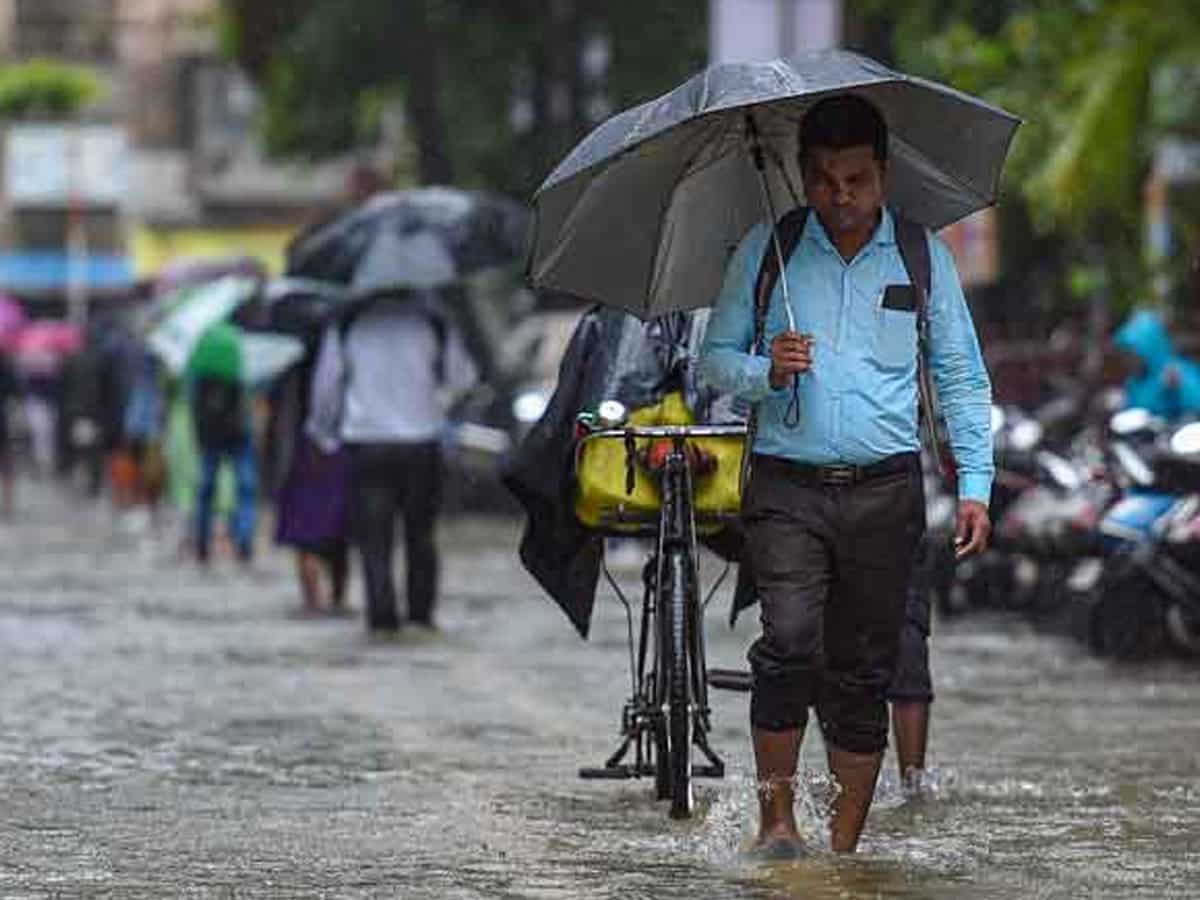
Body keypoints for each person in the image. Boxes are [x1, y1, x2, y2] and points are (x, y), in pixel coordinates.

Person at [699, 94, 994, 855]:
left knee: (865, 669)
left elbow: (961, 377)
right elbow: (714, 361)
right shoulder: (768, 251)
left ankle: (841, 853)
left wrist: (975, 486)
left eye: (856, 179)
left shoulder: (922, 257)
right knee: (789, 640)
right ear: (803, 176)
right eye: (825, 180)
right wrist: (766, 370)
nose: (841, 196)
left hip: (886, 491)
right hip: (786, 488)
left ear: (882, 175)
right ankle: (776, 826)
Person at [308, 293, 477, 634]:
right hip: (421, 440)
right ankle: (420, 616)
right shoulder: (433, 320)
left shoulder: (348, 323)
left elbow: (326, 386)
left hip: (367, 441)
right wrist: (435, 400)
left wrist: (323, 434)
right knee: (421, 534)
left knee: (374, 539)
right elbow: (463, 378)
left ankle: (382, 620)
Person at [270, 350, 351, 617]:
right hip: (335, 447)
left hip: (307, 451)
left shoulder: (289, 358)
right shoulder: (342, 346)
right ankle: (334, 600)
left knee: (307, 535)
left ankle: (314, 601)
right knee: (336, 532)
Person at [190, 328, 258, 565]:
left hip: (215, 437)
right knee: (243, 488)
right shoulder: (238, 369)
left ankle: (204, 542)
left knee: (208, 489)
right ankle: (241, 541)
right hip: (234, 437)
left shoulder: (200, 372)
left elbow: (195, 410)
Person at [1112, 308, 1200, 419]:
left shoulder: (1178, 372)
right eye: (1125, 354)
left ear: (1148, 349)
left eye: (1131, 354)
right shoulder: (1134, 382)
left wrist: (1175, 390)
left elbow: (1196, 405)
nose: (1127, 360)